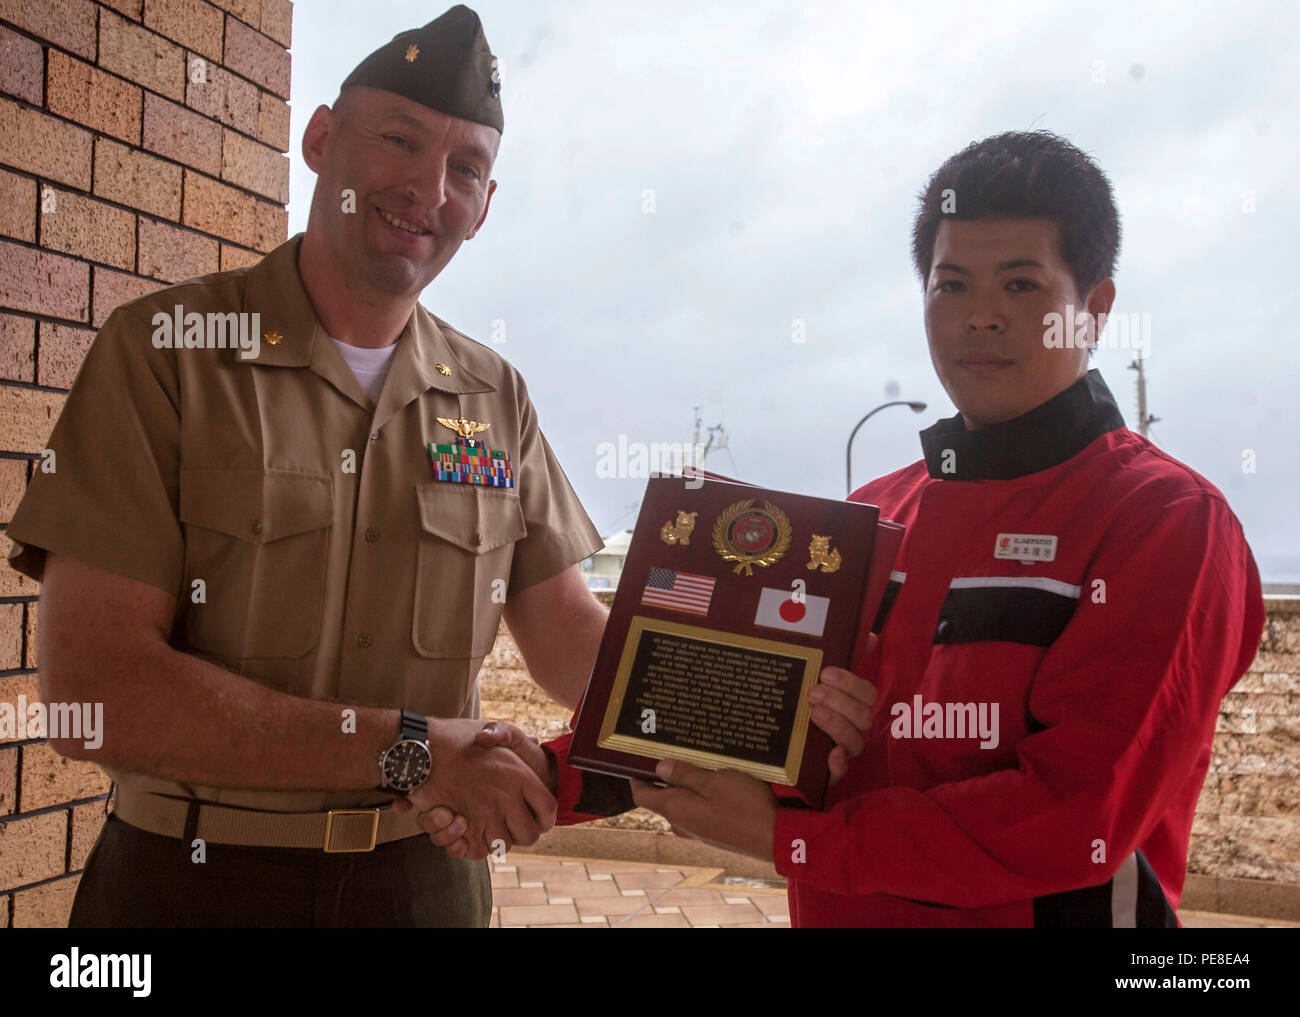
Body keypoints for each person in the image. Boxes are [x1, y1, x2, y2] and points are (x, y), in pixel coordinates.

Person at [527, 131, 1263, 927]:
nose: (981, 316)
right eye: (952, 285)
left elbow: (1074, 813)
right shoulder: (875, 517)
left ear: (1095, 308)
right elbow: (742, 701)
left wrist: (796, 842)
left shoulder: (1168, 522)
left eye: (1021, 284)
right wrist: (538, 775)